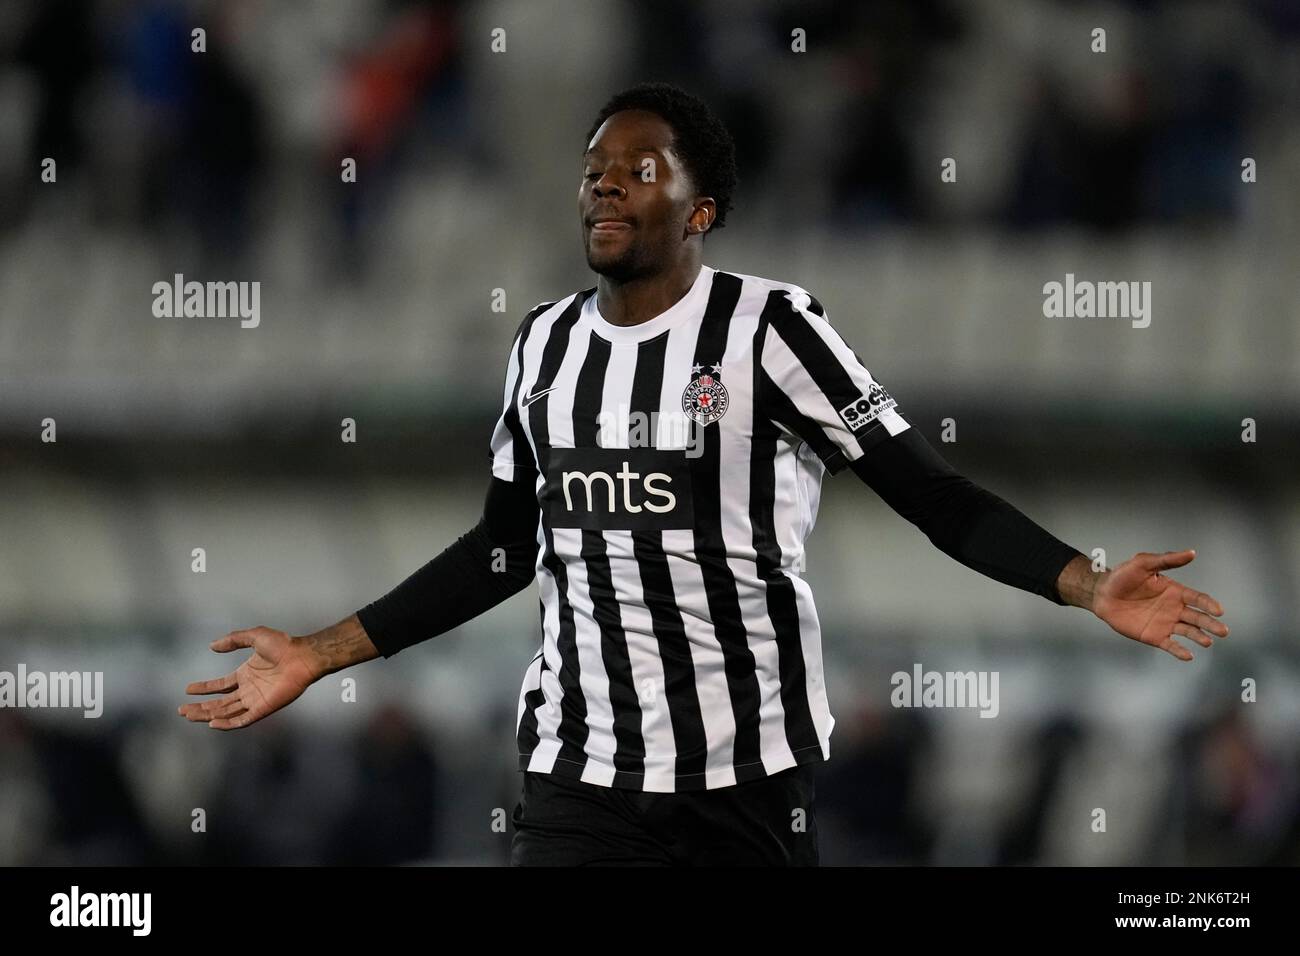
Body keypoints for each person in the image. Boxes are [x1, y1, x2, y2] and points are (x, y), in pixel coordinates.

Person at [178, 82, 1229, 866]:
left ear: (701, 208)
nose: (602, 180)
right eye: (593, 165)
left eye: (639, 167)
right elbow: (504, 547)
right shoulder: (542, 345)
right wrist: (319, 652)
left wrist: (1087, 583)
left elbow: (933, 496)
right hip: (577, 772)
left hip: (747, 779)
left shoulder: (771, 327)